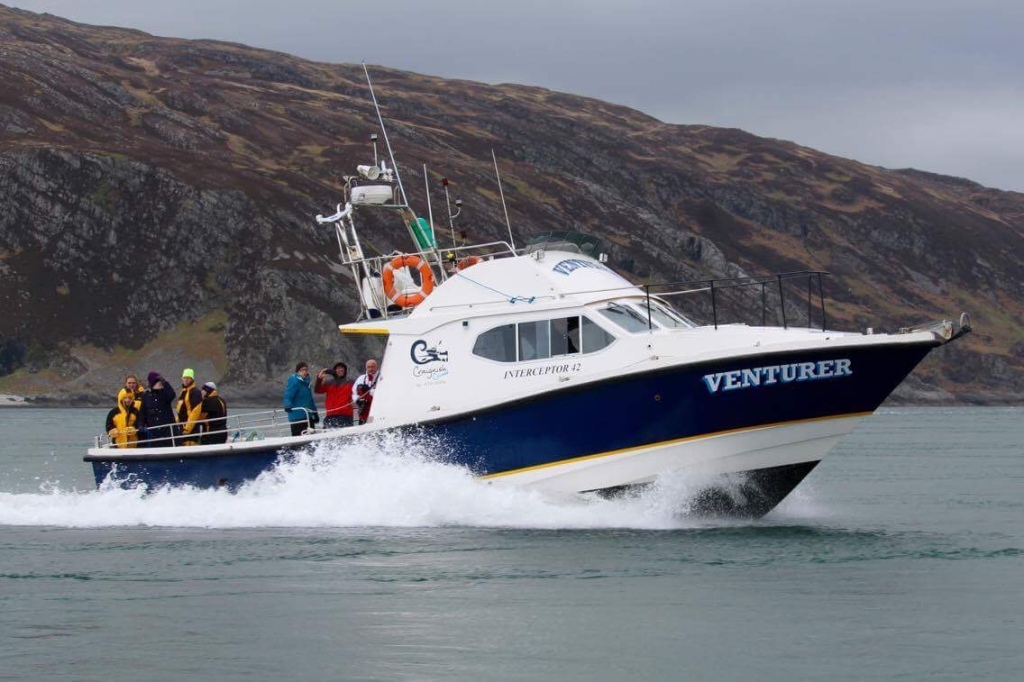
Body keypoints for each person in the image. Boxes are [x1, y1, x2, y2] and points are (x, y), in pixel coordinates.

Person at [140, 371, 176, 447]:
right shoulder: (146, 396)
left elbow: (172, 395)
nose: (160, 383)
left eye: (161, 382)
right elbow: (143, 413)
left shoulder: (164, 394)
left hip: (168, 431)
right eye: (157, 382)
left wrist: (165, 383)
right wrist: (141, 424)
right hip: (154, 432)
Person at [283, 361, 319, 436]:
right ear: (298, 371)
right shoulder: (294, 381)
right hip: (297, 417)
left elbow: (310, 400)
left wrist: (315, 413)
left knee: (312, 439)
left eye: (306, 369)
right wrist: (287, 405)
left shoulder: (307, 383)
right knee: (298, 439)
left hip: (308, 416)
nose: (304, 371)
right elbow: (288, 395)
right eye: (302, 370)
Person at [315, 362, 355, 428]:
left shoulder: (350, 382)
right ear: (334, 371)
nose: (341, 370)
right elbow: (317, 390)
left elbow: (358, 392)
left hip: (345, 416)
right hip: (330, 415)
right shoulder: (329, 382)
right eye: (338, 368)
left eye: (342, 368)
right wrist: (319, 378)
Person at [176, 368, 204, 446]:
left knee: (190, 445)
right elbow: (180, 410)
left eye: (188, 378)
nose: (186, 380)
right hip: (182, 427)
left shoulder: (195, 392)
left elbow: (195, 412)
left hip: (191, 429)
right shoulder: (183, 391)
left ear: (192, 379)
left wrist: (187, 428)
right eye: (184, 378)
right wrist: (176, 423)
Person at [351, 358, 380, 425]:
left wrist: (369, 392)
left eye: (372, 367)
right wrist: (357, 400)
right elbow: (354, 392)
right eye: (368, 367)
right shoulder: (361, 378)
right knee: (362, 428)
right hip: (364, 411)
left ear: (376, 367)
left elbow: (382, 393)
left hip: (375, 410)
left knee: (371, 426)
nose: (370, 369)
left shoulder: (381, 377)